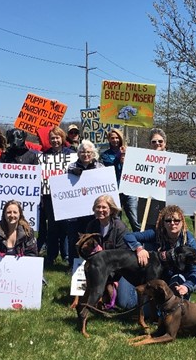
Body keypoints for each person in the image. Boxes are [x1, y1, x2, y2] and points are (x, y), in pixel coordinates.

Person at [123, 205, 196, 318]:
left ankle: (178, 310)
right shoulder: (156, 234)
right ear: (163, 222)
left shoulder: (189, 241)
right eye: (168, 220)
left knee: (178, 280)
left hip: (182, 277)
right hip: (160, 277)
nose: (172, 223)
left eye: (176, 220)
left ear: (182, 222)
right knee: (132, 306)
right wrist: (139, 248)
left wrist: (187, 286)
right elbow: (128, 236)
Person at [79, 195, 139, 310]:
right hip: (98, 267)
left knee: (126, 304)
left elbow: (123, 256)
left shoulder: (120, 227)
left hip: (120, 270)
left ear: (111, 209)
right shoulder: (91, 225)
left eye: (104, 207)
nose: (100, 210)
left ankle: (115, 291)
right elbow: (85, 250)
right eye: (98, 207)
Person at [38, 124, 75, 267]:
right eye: (52, 138)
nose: (55, 141)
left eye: (57, 138)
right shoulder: (44, 155)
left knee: (66, 227)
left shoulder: (71, 154)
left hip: (66, 196)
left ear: (62, 138)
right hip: (49, 196)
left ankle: (66, 255)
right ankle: (51, 255)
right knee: (52, 227)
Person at [65, 140, 101, 269]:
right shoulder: (70, 167)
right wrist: (73, 173)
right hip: (75, 211)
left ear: (93, 153)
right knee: (74, 237)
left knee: (94, 237)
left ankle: (95, 264)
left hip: (94, 211)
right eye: (82, 152)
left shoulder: (100, 167)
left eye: (88, 152)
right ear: (78, 153)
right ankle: (73, 265)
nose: (85, 154)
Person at [99, 128, 138, 231]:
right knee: (116, 218)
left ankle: (139, 241)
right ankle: (119, 240)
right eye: (112, 138)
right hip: (115, 190)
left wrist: (127, 156)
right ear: (109, 139)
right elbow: (110, 167)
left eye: (117, 138)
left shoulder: (130, 152)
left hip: (130, 189)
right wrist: (120, 156)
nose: (115, 140)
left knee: (135, 219)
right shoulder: (105, 155)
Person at [135, 128, 169, 231]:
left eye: (160, 141)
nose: (157, 143)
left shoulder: (173, 160)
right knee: (150, 235)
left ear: (165, 143)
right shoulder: (142, 160)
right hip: (148, 205)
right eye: (154, 141)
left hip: (166, 203)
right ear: (150, 144)